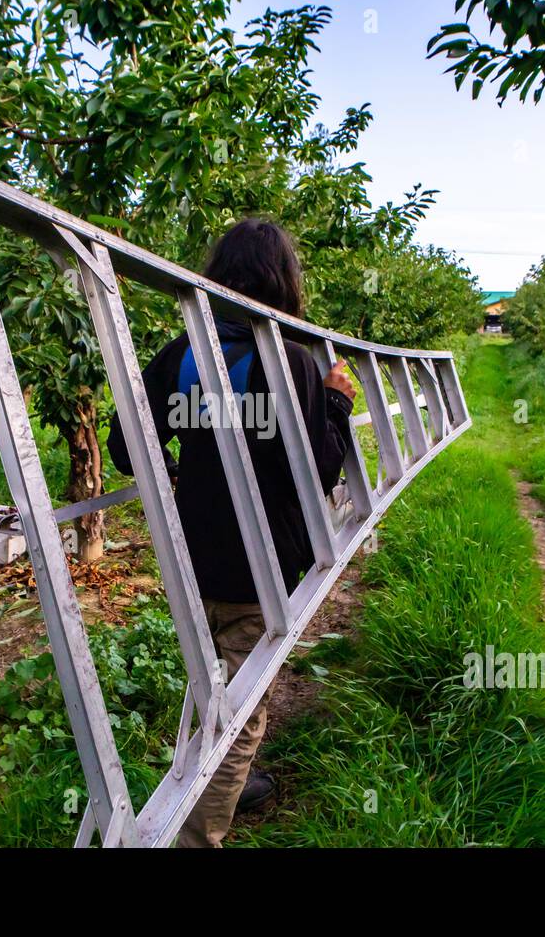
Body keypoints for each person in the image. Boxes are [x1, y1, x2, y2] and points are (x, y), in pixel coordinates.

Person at [107, 218, 357, 847]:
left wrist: (185, 480)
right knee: (242, 710)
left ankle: (221, 781)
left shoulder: (181, 354)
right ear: (284, 283)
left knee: (213, 677)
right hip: (261, 570)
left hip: (192, 560)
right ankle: (196, 836)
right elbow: (320, 470)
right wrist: (335, 402)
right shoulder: (292, 362)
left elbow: (122, 445)